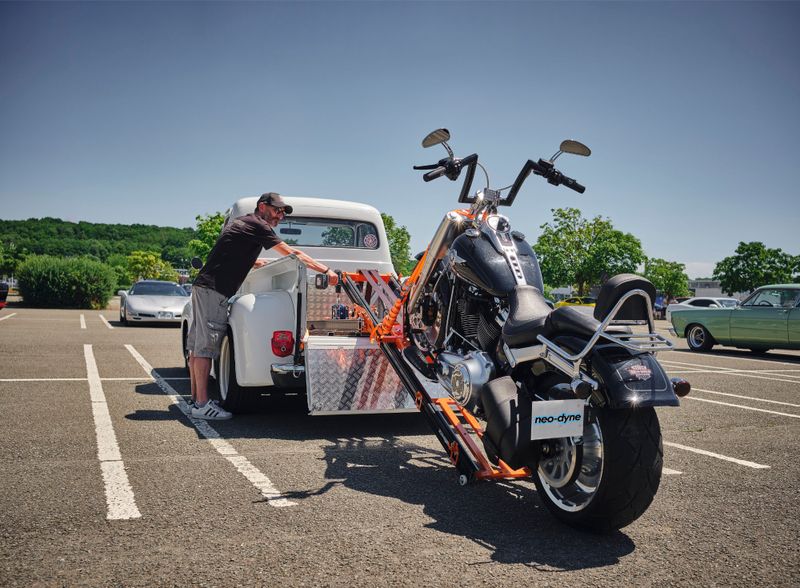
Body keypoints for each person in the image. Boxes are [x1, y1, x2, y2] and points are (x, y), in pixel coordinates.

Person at [186, 192, 339, 419]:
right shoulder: (258, 225)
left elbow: (243, 257)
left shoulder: (244, 223)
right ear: (262, 207)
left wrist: (263, 263)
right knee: (205, 348)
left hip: (206, 287)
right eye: (276, 210)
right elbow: (293, 253)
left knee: (197, 347)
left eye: (282, 212)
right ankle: (201, 404)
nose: (280, 216)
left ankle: (196, 401)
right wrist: (326, 271)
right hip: (213, 289)